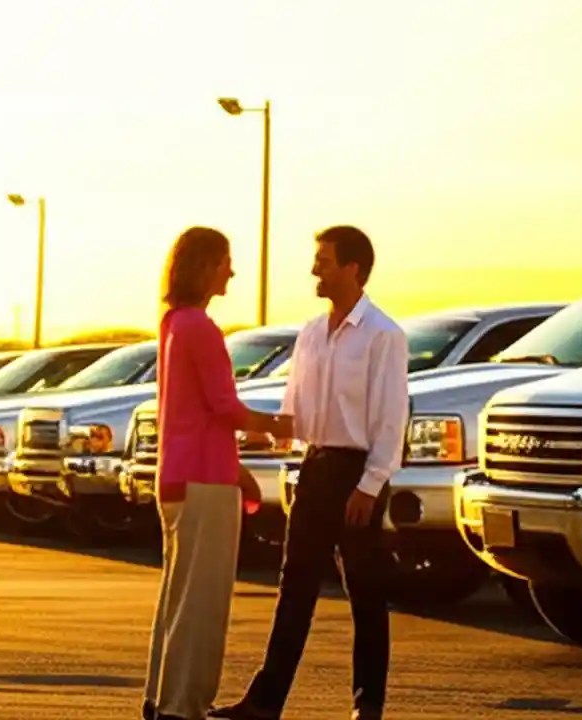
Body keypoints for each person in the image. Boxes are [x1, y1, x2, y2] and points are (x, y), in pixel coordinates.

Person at [210, 226, 409, 720]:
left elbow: (390, 419)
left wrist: (370, 484)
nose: (314, 269)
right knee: (295, 584)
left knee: (364, 589)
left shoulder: (385, 335)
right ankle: (264, 702)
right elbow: (293, 414)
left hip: (358, 472)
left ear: (354, 268)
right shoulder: (311, 334)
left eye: (323, 260)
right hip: (316, 467)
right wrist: (238, 432)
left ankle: (368, 706)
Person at [143, 227, 294, 720]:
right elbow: (224, 406)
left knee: (178, 595)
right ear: (206, 265)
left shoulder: (172, 324)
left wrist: (238, 471)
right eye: (226, 261)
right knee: (202, 601)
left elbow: (193, 414)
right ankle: (185, 706)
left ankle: (162, 697)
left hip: (180, 477)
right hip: (203, 483)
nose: (231, 271)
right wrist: (277, 425)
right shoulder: (201, 328)